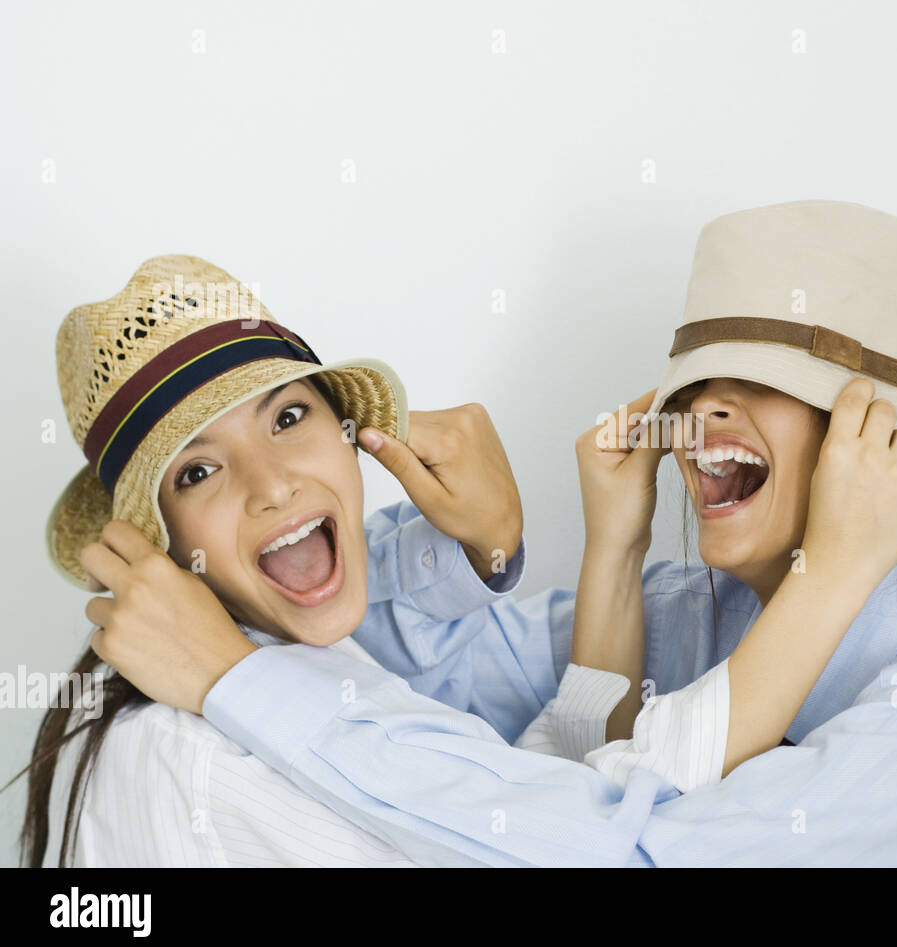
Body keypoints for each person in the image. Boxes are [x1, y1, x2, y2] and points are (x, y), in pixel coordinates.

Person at [89, 202, 897, 866]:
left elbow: (625, 850)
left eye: (767, 384)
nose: (709, 412)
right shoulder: (686, 616)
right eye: (699, 382)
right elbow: (496, 737)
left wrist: (837, 575)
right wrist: (591, 550)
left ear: (884, 440)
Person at [14, 254, 535, 865]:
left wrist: (495, 545)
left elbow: (491, 721)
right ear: (157, 543)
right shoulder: (194, 762)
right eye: (198, 471)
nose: (273, 487)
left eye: (287, 417)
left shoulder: (320, 648)